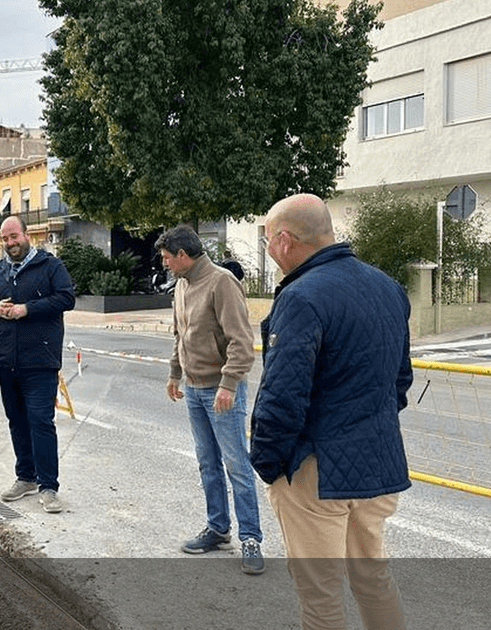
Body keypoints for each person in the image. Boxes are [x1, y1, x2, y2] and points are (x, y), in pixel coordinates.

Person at [251, 193, 412, 630]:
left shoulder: (301, 297)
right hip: (377, 464)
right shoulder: (387, 287)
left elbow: (282, 398)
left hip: (316, 471)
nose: (268, 250)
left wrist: (268, 464)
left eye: (267, 241)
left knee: (320, 595)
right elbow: (400, 380)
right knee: (373, 578)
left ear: (285, 240)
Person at [158, 226, 264, 575]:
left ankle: (251, 538)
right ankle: (218, 529)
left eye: (167, 257)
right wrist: (175, 373)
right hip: (193, 388)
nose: (166, 263)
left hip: (221, 391)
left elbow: (241, 341)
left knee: (236, 464)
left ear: (183, 256)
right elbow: (180, 334)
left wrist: (229, 384)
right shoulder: (182, 286)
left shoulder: (221, 283)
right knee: (207, 462)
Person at [0, 215, 75, 513]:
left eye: (14, 237)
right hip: (6, 358)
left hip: (40, 359)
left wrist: (26, 309)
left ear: (26, 234)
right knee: (16, 420)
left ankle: (49, 487)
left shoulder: (50, 266)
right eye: (5, 239)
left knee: (40, 421)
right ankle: (26, 477)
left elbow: (66, 299)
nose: (9, 243)